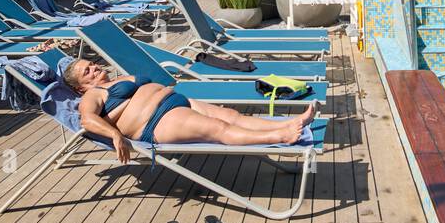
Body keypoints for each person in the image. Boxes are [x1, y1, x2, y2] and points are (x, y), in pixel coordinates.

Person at [64, 58, 315, 160]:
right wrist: (115, 135)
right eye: (87, 71)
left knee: (231, 115)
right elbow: (87, 120)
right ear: (80, 88)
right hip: (157, 121)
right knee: (218, 128)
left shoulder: (116, 80)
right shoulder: (92, 96)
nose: (94, 69)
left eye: (92, 64)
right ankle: (280, 137)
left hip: (176, 100)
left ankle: (285, 124)